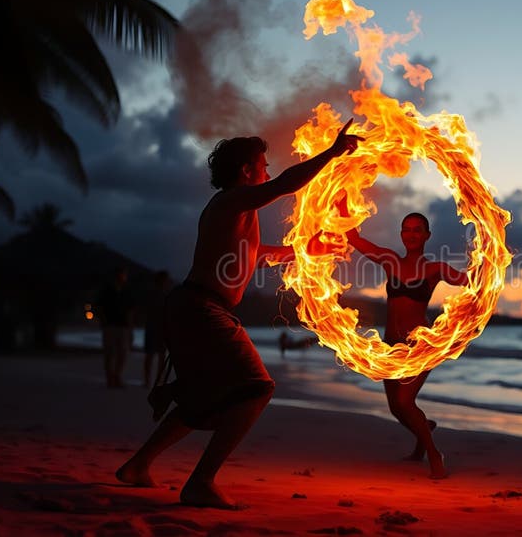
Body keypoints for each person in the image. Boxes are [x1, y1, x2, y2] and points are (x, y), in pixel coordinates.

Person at [115, 119, 362, 509]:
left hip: (194, 308)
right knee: (258, 387)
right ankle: (201, 482)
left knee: (200, 397)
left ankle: (138, 465)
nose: (268, 170)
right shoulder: (230, 201)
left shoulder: (237, 211)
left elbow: (256, 256)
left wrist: (303, 251)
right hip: (201, 308)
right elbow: (285, 185)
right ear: (246, 170)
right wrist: (331, 153)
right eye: (263, 165)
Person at [337, 198, 467, 479]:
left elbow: (468, 281)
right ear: (401, 234)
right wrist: (343, 205)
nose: (411, 234)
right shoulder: (390, 261)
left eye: (417, 230)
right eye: (406, 229)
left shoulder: (435, 269)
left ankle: (434, 454)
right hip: (390, 346)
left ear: (427, 235)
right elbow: (355, 239)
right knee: (396, 408)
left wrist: (491, 261)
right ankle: (424, 431)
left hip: (419, 347)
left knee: (406, 403)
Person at [96, 267, 134, 388]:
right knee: (109, 353)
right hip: (110, 325)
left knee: (122, 353)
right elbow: (99, 307)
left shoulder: (126, 291)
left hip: (122, 326)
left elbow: (130, 309)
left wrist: (130, 327)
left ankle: (116, 376)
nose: (124, 277)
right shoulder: (107, 290)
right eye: (123, 275)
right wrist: (103, 321)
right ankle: (110, 378)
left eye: (124, 275)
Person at [143, 270, 172, 388]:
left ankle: (151, 380)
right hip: (156, 329)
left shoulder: (159, 294)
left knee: (156, 355)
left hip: (156, 328)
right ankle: (155, 380)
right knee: (156, 355)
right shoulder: (163, 295)